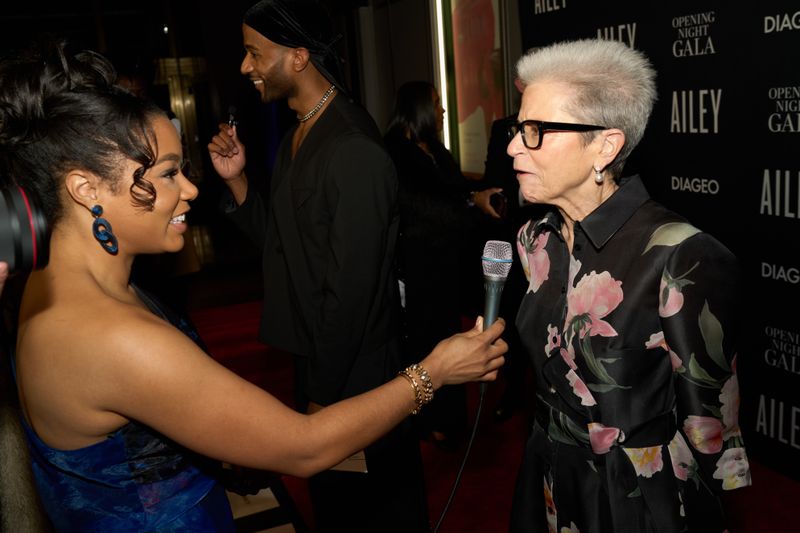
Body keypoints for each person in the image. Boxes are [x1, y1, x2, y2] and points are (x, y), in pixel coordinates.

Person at [0, 38, 507, 532]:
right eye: (170, 173)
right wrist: (434, 372)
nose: (191, 189)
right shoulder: (110, 336)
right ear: (87, 188)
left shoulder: (53, 289)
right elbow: (305, 446)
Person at [207, 2, 438, 531]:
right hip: (323, 361)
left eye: (254, 53)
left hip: (355, 381)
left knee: (368, 517)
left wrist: (320, 402)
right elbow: (286, 249)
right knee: (337, 512)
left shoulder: (353, 148)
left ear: (299, 57)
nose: (246, 67)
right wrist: (239, 182)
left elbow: (352, 294)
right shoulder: (299, 133)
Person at [506, 39, 750, 533]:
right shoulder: (534, 239)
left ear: (606, 145)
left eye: (535, 131)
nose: (513, 146)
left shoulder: (680, 254)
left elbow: (710, 424)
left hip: (634, 495)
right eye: (518, 128)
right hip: (548, 474)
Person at [384, 80, 491, 450]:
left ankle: (446, 419)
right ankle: (425, 419)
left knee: (450, 340)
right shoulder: (394, 152)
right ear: (418, 109)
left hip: (445, 267)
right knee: (423, 344)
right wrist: (468, 204)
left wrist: (474, 197)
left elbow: (455, 190)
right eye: (436, 104)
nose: (443, 111)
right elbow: (422, 208)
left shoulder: (436, 150)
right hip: (416, 271)